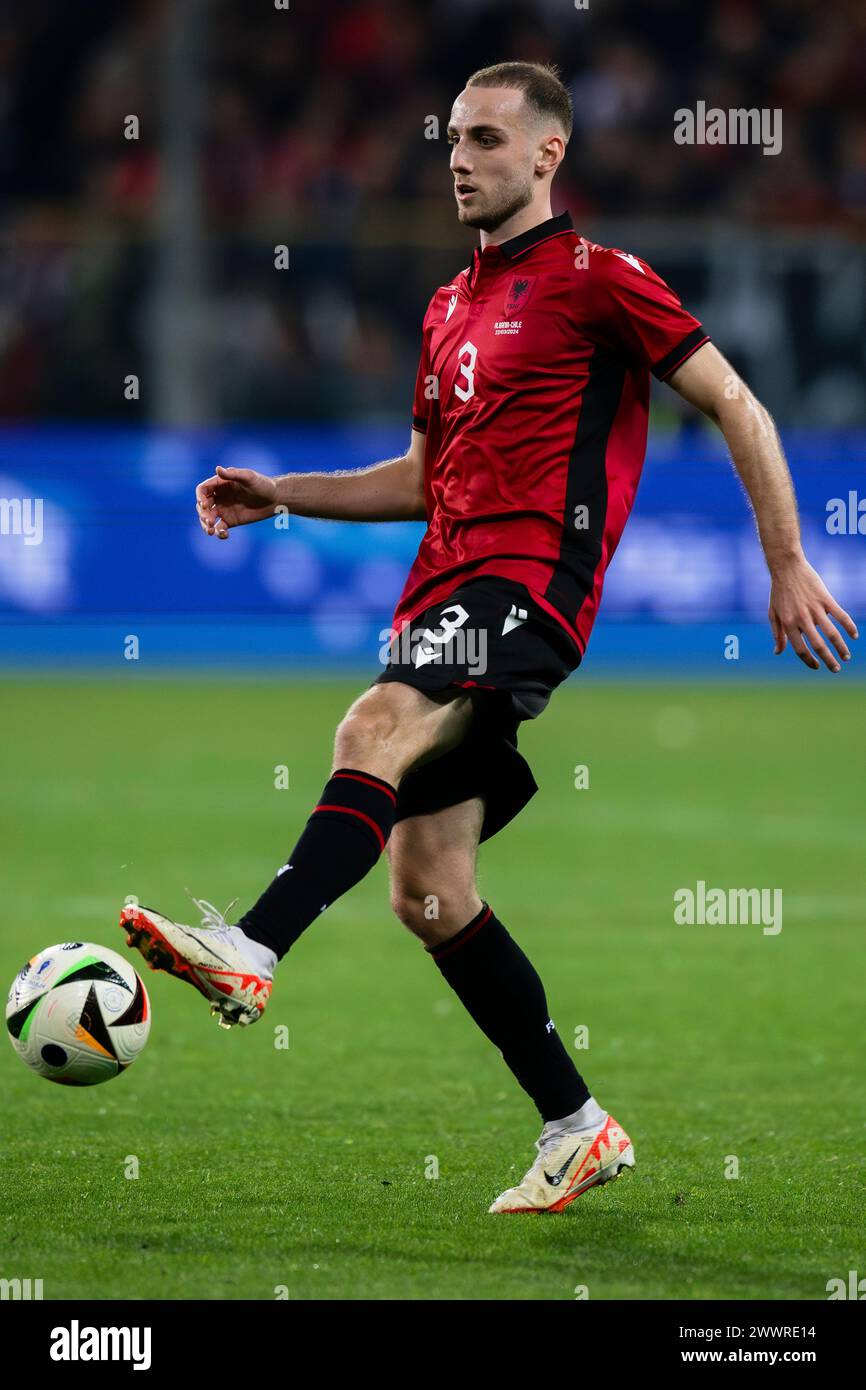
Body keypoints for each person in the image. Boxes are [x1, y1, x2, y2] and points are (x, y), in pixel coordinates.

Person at [121, 62, 857, 1215]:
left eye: (484, 139)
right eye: (451, 140)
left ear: (547, 154)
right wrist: (285, 491)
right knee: (427, 886)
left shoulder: (599, 280)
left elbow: (736, 402)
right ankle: (576, 1124)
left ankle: (251, 948)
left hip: (529, 582)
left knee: (370, 724)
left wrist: (782, 558)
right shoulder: (445, 306)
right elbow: (420, 478)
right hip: (442, 584)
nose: (457, 158)